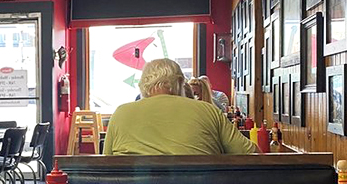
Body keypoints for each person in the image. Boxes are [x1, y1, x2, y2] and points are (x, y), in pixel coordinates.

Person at [104, 58, 257, 156]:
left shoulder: (120, 113)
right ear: (179, 83)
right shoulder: (208, 111)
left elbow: (105, 164)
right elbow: (252, 155)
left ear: (143, 85)